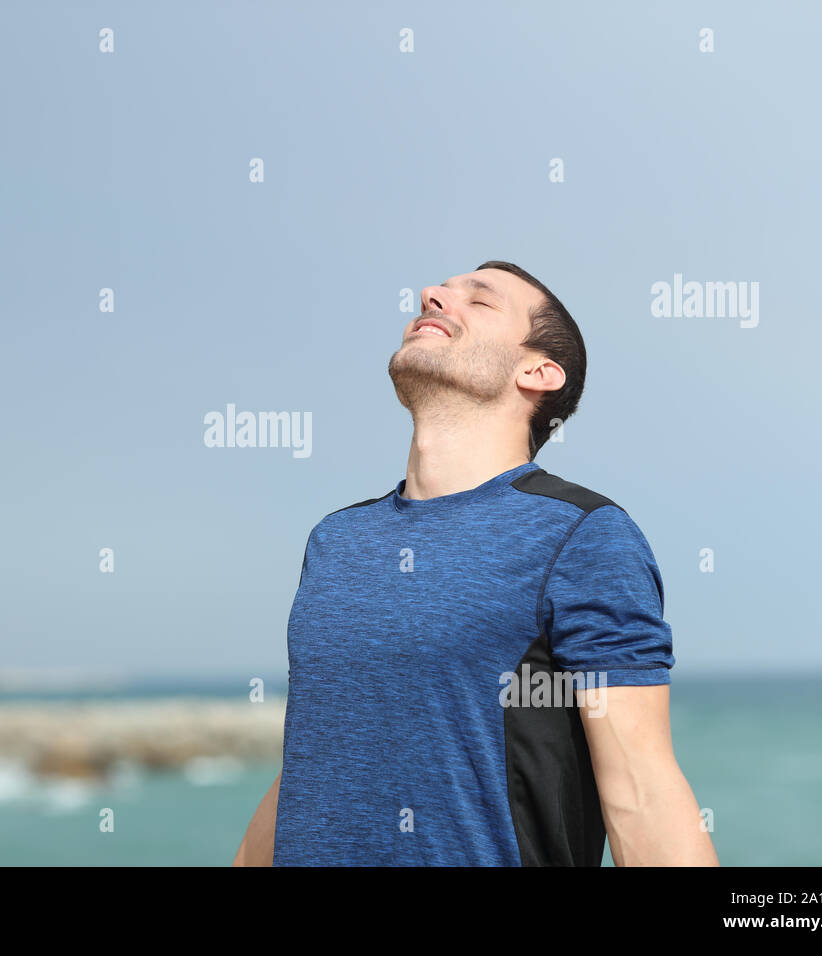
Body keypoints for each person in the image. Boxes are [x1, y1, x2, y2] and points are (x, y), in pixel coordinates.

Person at [233, 261, 718, 866]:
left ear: (537, 372)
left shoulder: (582, 536)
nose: (431, 295)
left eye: (479, 301)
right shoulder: (337, 539)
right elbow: (311, 763)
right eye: (438, 291)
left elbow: (641, 795)